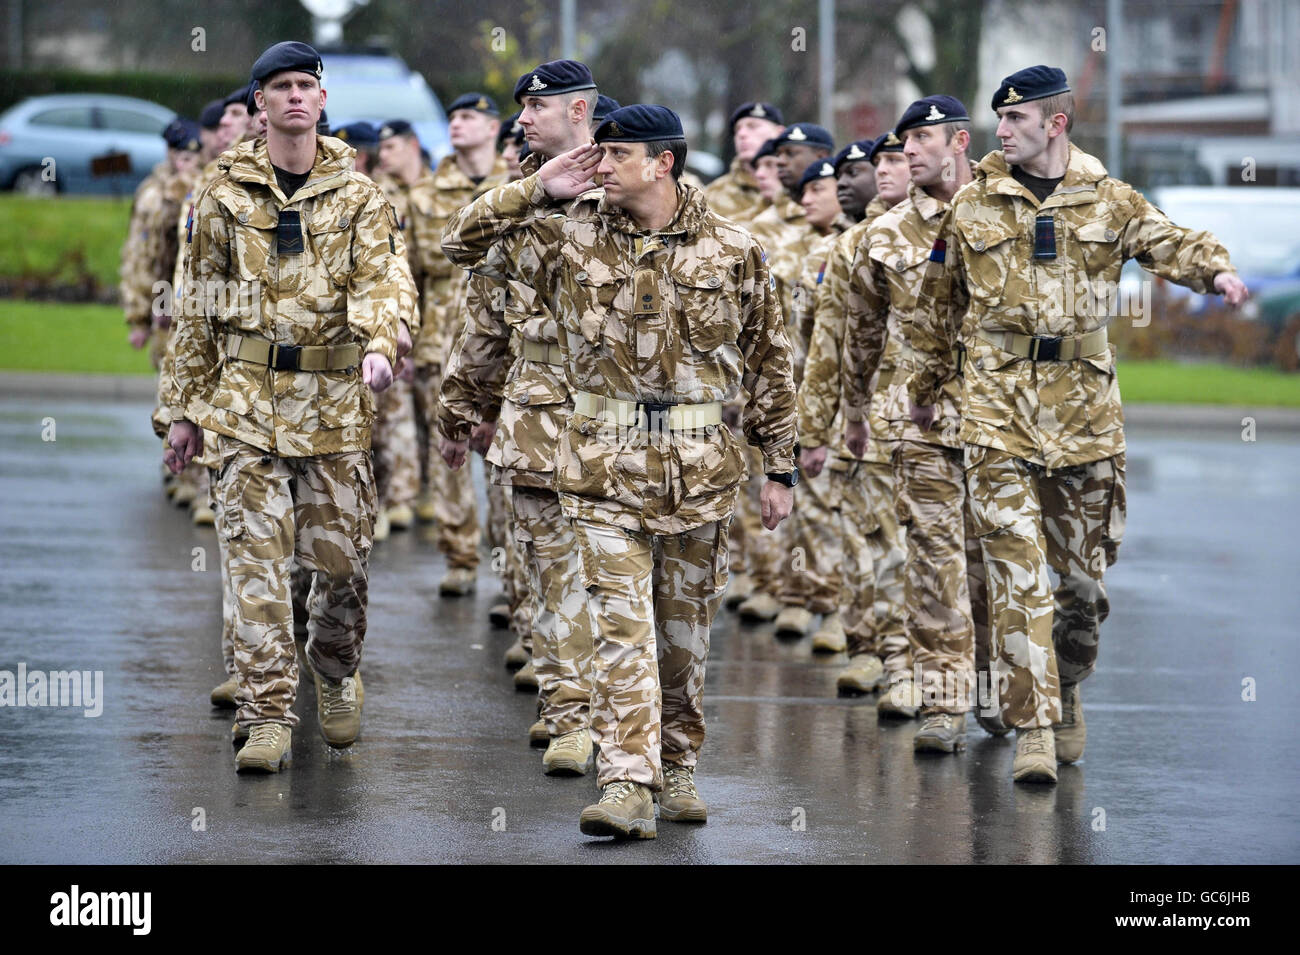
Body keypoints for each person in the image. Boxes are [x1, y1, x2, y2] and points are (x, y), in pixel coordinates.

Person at [441, 104, 797, 839]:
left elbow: (771, 362)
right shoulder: (566, 235)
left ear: (662, 161)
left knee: (682, 633)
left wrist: (780, 466)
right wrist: (537, 186)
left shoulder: (734, 248)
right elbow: (461, 243)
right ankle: (627, 780)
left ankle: (677, 762)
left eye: (616, 153)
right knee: (621, 626)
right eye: (596, 151)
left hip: (699, 467)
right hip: (601, 463)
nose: (599, 163)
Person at [907, 65, 1247, 782]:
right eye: (1000, 121)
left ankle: (1065, 685)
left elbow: (1170, 242)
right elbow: (937, 309)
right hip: (996, 408)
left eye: (1017, 121)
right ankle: (1032, 728)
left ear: (1055, 124)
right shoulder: (971, 206)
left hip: (1085, 413)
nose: (1001, 133)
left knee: (1080, 591)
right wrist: (927, 387)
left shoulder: (1110, 199)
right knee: (1018, 576)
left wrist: (1215, 272)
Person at [164, 40, 407, 773]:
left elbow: (381, 281)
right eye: (282, 87)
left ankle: (333, 669)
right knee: (256, 569)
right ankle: (266, 712)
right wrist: (181, 409)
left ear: (322, 101)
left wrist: (378, 344)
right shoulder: (221, 193)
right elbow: (199, 306)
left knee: (339, 568)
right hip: (244, 404)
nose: (296, 96)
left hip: (334, 407)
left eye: (308, 84)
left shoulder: (361, 195)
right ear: (261, 105)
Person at [439, 60, 603, 769]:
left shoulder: (636, 191)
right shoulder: (517, 207)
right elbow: (471, 289)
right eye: (521, 108)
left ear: (579, 111)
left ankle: (628, 723)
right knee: (554, 575)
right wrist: (461, 410)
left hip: (622, 424)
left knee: (621, 579)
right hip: (537, 418)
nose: (523, 117)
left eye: (536, 105)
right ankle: (571, 717)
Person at [844, 96, 992, 749]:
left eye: (924, 137)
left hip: (1001, 418)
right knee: (933, 563)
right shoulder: (885, 233)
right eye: (905, 140)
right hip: (921, 420)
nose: (910, 149)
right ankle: (943, 703)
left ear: (959, 141)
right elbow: (862, 334)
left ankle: (997, 687)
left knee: (993, 565)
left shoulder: (1009, 209)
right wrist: (852, 411)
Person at [797, 137, 909, 687]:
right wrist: (814, 429)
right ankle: (876, 650)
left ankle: (933, 665)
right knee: (867, 537)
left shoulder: (957, 227)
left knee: (934, 547)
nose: (846, 180)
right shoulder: (851, 247)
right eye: (838, 173)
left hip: (950, 415)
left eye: (860, 169)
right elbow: (825, 344)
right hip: (867, 416)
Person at [703, 101, 785, 223]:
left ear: (780, 133)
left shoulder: (803, 187)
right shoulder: (714, 194)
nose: (742, 134)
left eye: (753, 126)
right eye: (737, 129)